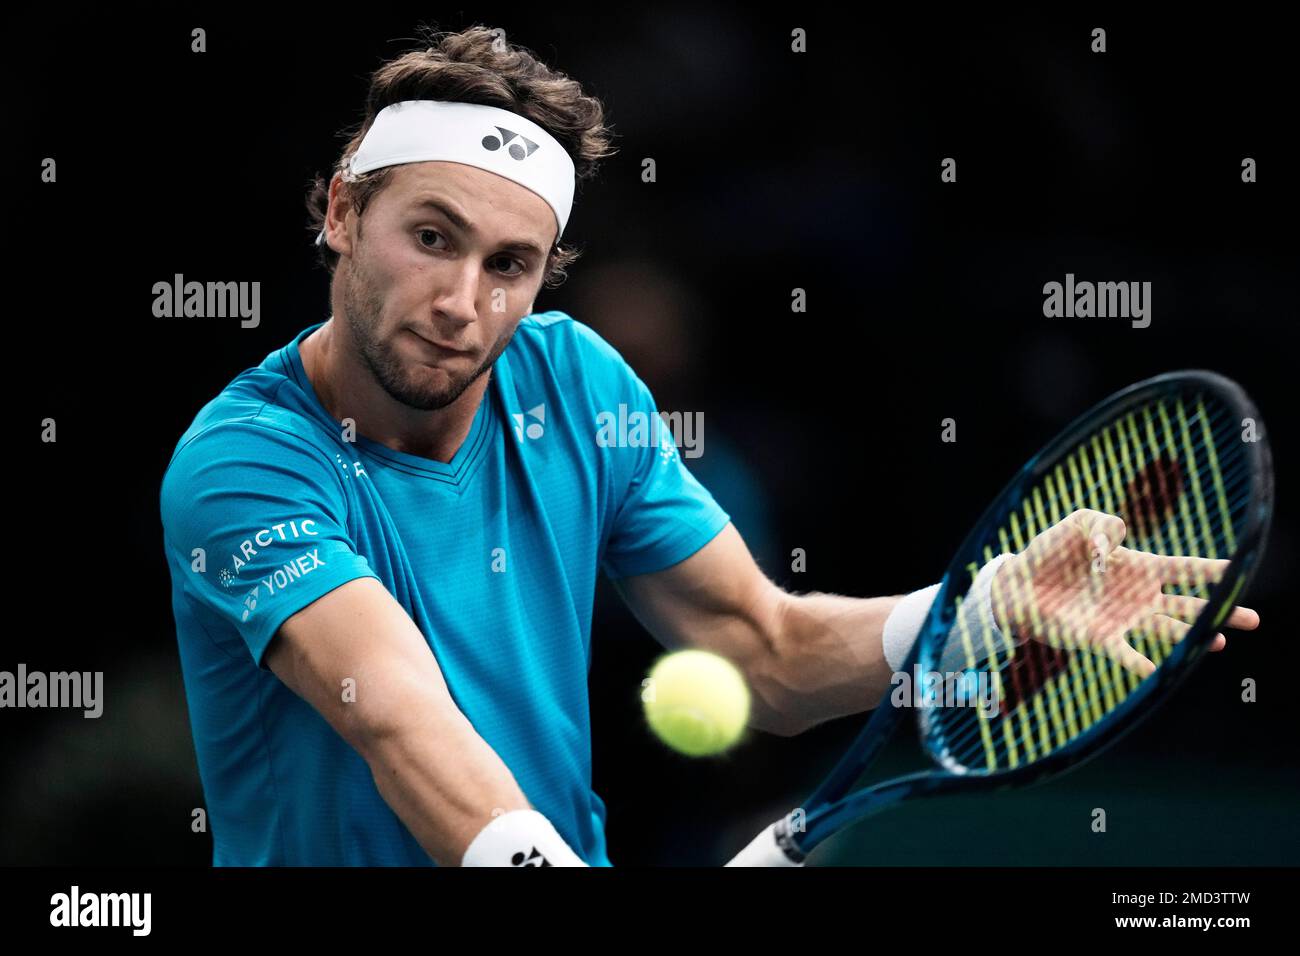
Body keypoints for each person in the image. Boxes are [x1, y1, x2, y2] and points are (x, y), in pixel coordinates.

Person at [159, 26, 1259, 867]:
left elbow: (756, 643)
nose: (461, 301)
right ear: (346, 213)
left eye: (509, 264)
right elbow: (398, 714)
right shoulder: (243, 463)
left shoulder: (576, 382)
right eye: (431, 237)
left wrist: (970, 611)